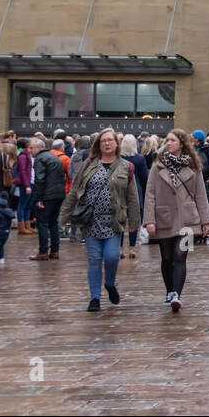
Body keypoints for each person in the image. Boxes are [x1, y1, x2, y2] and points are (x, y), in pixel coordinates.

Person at [59, 127, 140, 311]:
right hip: (91, 221)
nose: (107, 143)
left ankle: (110, 284)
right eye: (103, 141)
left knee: (111, 257)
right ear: (98, 144)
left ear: (116, 144)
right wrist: (65, 215)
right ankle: (94, 298)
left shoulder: (126, 167)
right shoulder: (88, 164)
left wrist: (135, 221)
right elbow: (75, 191)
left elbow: (132, 196)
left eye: (110, 140)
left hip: (114, 220)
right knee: (94, 260)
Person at [142, 129, 209, 311]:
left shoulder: (193, 166)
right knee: (166, 257)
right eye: (167, 140)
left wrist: (206, 221)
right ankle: (169, 291)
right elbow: (150, 194)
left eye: (172, 140)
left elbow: (201, 195)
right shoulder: (158, 165)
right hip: (164, 217)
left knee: (181, 255)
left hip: (189, 220)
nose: (168, 143)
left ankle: (176, 295)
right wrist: (149, 220)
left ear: (182, 143)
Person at [27, 138, 67, 261]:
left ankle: (43, 251)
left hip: (47, 195)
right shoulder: (54, 157)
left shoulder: (40, 159)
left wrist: (39, 198)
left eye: (31, 148)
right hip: (59, 194)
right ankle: (55, 251)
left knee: (42, 223)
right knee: (53, 222)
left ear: (39, 148)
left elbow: (39, 179)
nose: (29, 150)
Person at [120, 134, 149, 257]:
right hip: (136, 191)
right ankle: (132, 248)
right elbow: (144, 178)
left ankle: (120, 248)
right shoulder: (140, 159)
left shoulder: (118, 158)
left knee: (120, 220)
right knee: (134, 220)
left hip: (121, 190)